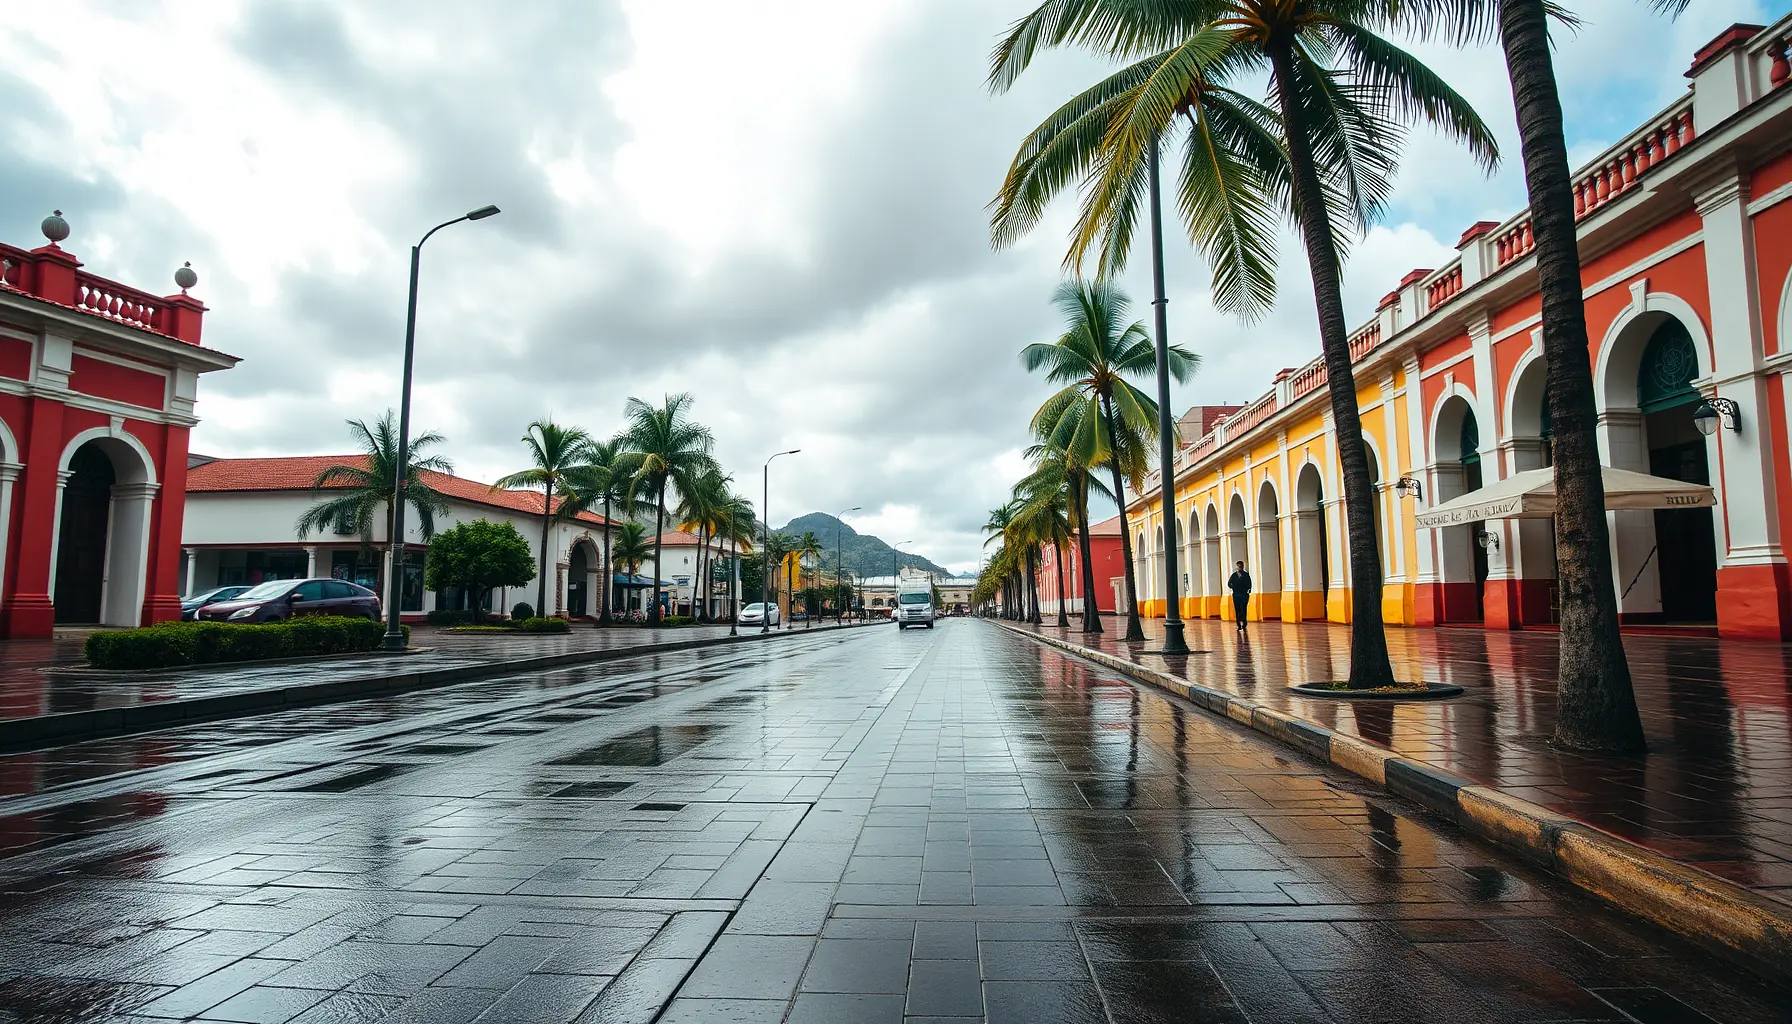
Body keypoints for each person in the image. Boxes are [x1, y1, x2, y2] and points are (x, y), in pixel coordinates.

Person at [1227, 560, 1252, 633]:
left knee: (1243, 609)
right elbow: (1229, 583)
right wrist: (1233, 587)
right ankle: (1238, 624)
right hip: (1236, 595)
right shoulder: (1234, 575)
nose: (1240, 567)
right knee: (1237, 609)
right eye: (1239, 566)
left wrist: (1248, 589)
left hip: (1244, 595)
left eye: (1241, 566)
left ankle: (1244, 622)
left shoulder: (1246, 575)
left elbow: (1249, 583)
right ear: (1237, 567)